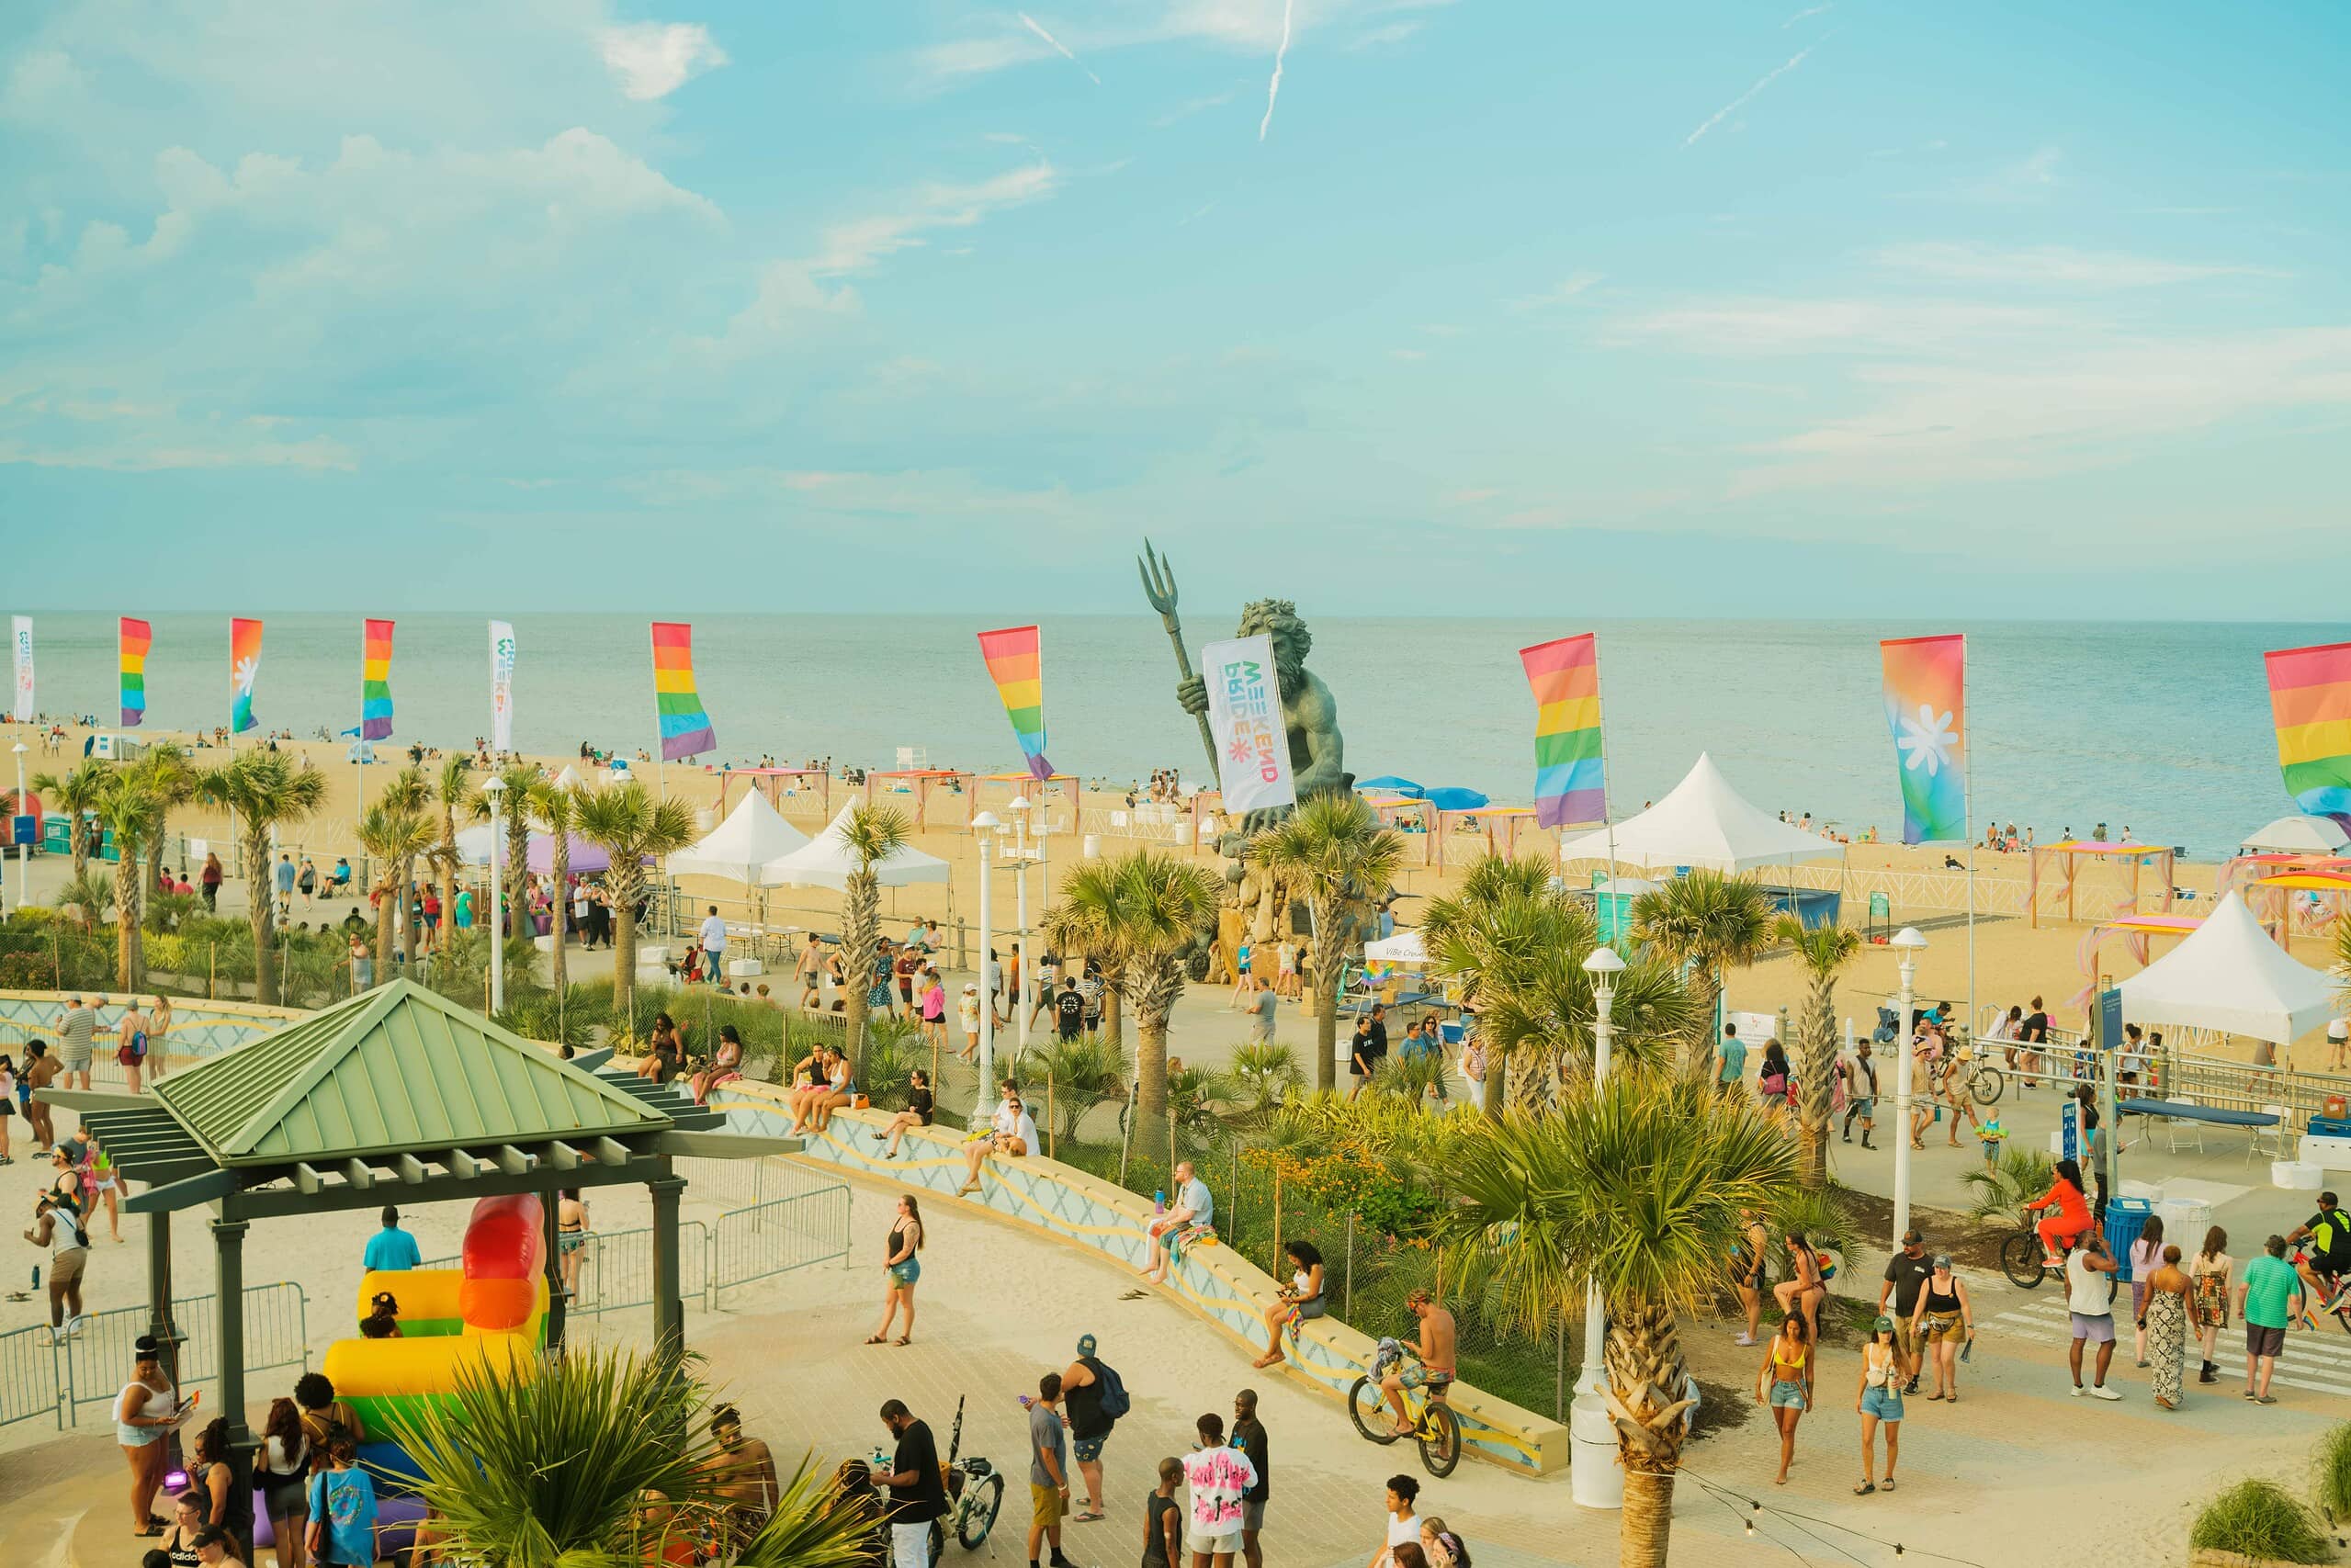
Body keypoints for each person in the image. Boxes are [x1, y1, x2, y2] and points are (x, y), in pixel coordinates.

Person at [119, 1335, 194, 1536]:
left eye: (152, 1367)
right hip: (140, 1432)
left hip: (159, 1426)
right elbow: (127, 1417)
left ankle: (147, 1513)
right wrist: (156, 1421)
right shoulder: (136, 1388)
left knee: (160, 1470)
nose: (149, 1372)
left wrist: (178, 1407)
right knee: (143, 1477)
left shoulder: (157, 1372)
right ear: (137, 1365)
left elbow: (162, 1397)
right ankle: (140, 1525)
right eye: (144, 1368)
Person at [1057, 1332, 1122, 1521]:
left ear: (1078, 1348)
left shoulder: (1078, 1367)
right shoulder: (1099, 1366)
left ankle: (1095, 1509)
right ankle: (1097, 1497)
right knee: (1093, 1459)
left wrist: (1041, 1400)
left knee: (1086, 1465)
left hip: (1089, 1427)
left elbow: (1061, 1388)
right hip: (1103, 1424)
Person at [878, 1399, 948, 1568]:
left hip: (910, 1513)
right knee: (919, 1554)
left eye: (887, 1423)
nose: (888, 1428)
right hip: (926, 1509)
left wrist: (882, 1479)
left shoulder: (910, 1438)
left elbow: (911, 1477)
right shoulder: (921, 1427)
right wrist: (892, 1474)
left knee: (905, 1560)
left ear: (896, 1418)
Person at [1180, 1413, 1255, 1568]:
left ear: (1203, 1435)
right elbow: (1252, 1481)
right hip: (1228, 1526)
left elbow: (1175, 1470)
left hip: (1201, 1526)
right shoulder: (1238, 1458)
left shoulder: (1192, 1460)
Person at [1379, 1290, 1454, 1438]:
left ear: (1420, 1305)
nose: (1416, 1315)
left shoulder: (1426, 1322)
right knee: (1440, 1408)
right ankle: (1444, 1449)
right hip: (1447, 1373)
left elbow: (1427, 1353)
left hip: (1430, 1373)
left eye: (1414, 1311)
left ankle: (1404, 1425)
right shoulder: (1447, 1316)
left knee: (1387, 1384)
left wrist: (1413, 1347)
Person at [2239, 1234, 2302, 1404]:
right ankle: (2263, 1394)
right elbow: (2295, 1299)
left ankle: (2250, 1389)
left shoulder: (2255, 1263)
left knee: (2252, 1352)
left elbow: (2242, 1288)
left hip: (2254, 1315)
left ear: (2267, 1248)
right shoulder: (2289, 1271)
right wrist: (2299, 1319)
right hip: (2276, 1319)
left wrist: (2240, 1307)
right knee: (2268, 1356)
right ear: (2283, 1253)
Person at [305, 1425, 379, 1567]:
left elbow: (315, 1515)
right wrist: (376, 1543)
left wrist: (308, 1543)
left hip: (334, 1546)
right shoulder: (363, 1477)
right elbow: (371, 1513)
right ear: (354, 1458)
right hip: (360, 1544)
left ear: (331, 1457)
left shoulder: (322, 1478)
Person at [1025, 1373, 1078, 1568]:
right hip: (1048, 1482)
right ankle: (1034, 1564)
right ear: (1057, 1394)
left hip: (1054, 1478)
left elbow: (1025, 1401)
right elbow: (1048, 1456)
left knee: (1054, 1519)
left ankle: (1057, 1556)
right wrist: (1062, 1485)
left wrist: (1058, 1421)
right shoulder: (1045, 1422)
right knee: (1040, 1523)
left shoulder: (1040, 1408)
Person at [2067, 1226, 2125, 1401]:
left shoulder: (2072, 1257)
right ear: (2084, 1240)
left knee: (2078, 1342)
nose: (2097, 1238)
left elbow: (2067, 1284)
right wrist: (2107, 1248)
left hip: (2077, 1306)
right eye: (2093, 1236)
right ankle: (2098, 1386)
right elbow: (2114, 1267)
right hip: (2095, 1309)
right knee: (2108, 1342)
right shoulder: (2090, 1257)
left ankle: (2077, 1386)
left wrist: (2070, 1306)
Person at [707, 1404, 781, 1539]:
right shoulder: (712, 1460)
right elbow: (705, 1494)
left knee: (755, 1554)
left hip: (754, 1514)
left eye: (737, 1433)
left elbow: (771, 1482)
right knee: (714, 1556)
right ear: (717, 1436)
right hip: (726, 1517)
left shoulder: (758, 1448)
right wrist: (706, 1523)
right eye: (728, 1436)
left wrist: (774, 1514)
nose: (734, 1439)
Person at [1906, 1255, 1973, 1403]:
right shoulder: (1928, 1282)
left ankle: (1951, 1387)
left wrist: (1970, 1326)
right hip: (1934, 1322)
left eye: (1943, 1268)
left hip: (1953, 1323)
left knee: (1946, 1358)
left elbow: (1965, 1305)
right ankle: (1938, 1389)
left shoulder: (1956, 1283)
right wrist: (1913, 1324)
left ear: (1949, 1268)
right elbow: (1921, 1303)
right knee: (1936, 1358)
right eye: (1937, 1267)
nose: (1939, 1271)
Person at [27, 1189, 89, 1344]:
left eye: (38, 1214)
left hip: (65, 1256)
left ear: (41, 1208)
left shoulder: (47, 1218)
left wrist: (29, 1237)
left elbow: (44, 1242)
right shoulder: (68, 1212)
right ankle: (73, 1329)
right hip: (81, 1254)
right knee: (73, 1292)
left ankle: (56, 1336)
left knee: (55, 1297)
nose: (39, 1217)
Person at [1755, 1313, 1812, 1485]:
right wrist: (1758, 1386)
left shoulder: (1807, 1347)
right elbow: (1765, 1365)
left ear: (1801, 1329)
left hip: (1796, 1389)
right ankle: (1789, 1451)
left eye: (1796, 1328)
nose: (1792, 1332)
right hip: (1777, 1387)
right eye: (1789, 1327)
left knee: (1788, 1429)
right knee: (1781, 1427)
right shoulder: (1776, 1341)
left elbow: (1809, 1374)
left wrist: (1810, 1397)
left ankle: (1783, 1469)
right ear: (1785, 1325)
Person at [1878, 1229, 1934, 1394]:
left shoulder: (1929, 1264)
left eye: (1909, 1245)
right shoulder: (1898, 1260)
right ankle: (1908, 1373)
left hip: (1921, 1314)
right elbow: (1889, 1281)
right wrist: (1882, 1301)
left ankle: (1914, 1380)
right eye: (1904, 1244)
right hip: (1901, 1312)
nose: (1906, 1247)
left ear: (1919, 1245)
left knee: (1917, 1347)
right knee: (1903, 1347)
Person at [256, 1397, 311, 1568]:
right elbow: (305, 1463)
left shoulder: (268, 1443)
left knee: (280, 1541)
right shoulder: (304, 1439)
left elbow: (260, 1475)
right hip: (298, 1492)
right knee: (297, 1538)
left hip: (277, 1495)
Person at [1141, 1159, 1214, 1285]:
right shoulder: (1185, 1187)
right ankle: (1153, 1262)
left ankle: (1162, 1272)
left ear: (1186, 1174)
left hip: (1195, 1222)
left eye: (1178, 1171)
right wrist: (1166, 1220)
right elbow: (1177, 1208)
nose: (1175, 1173)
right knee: (1156, 1228)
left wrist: (1169, 1224)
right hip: (1185, 1218)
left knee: (1166, 1236)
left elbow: (1188, 1215)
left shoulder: (1197, 1189)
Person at [1255, 1239, 1325, 1368]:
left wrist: (1291, 1300)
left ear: (1303, 1256)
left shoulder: (1316, 1268)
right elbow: (1301, 1283)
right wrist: (1287, 1286)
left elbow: (1312, 1294)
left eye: (1295, 1260)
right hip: (1300, 1299)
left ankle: (1269, 1353)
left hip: (1313, 1304)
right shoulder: (1303, 1265)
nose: (1293, 1263)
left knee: (1277, 1319)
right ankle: (1278, 1352)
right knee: (1269, 1312)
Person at [1853, 1315, 1903, 1495]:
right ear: (1876, 1332)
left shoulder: (1896, 1350)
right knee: (1867, 1439)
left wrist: (1901, 1381)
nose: (1886, 1335)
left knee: (1891, 1439)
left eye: (1889, 1332)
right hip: (1872, 1395)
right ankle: (1868, 1478)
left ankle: (1889, 1475)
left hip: (1891, 1396)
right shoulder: (1868, 1348)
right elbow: (1864, 1372)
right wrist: (1859, 1397)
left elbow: (1910, 1374)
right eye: (1883, 1332)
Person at [867, 1195, 923, 1347]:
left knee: (905, 1303)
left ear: (908, 1208)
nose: (897, 1206)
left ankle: (906, 1336)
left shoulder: (912, 1226)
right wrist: (887, 1260)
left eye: (900, 1204)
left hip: (906, 1269)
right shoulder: (900, 1220)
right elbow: (889, 1242)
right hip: (896, 1269)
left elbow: (906, 1251)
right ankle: (882, 1334)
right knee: (890, 1301)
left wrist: (890, 1262)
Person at [957, 1090, 1037, 1194]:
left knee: (978, 1152)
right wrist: (1003, 1135)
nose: (1014, 1109)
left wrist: (1001, 1138)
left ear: (1021, 1108)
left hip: (1020, 1147)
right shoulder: (1012, 1114)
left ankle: (970, 1181)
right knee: (971, 1150)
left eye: (1016, 1107)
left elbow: (1018, 1139)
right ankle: (974, 1182)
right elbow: (1005, 1129)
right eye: (1011, 1107)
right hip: (1003, 1139)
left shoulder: (1023, 1118)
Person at [2285, 1191, 2351, 1316]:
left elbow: (2299, 1232)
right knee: (2323, 1265)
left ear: (2324, 1204)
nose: (2318, 1203)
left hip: (2335, 1257)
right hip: (2349, 1257)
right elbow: (2337, 1230)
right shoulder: (2343, 1213)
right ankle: (2328, 1297)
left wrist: (2283, 1244)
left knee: (2303, 1270)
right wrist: (2314, 1234)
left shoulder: (2322, 1217)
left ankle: (2332, 1298)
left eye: (2318, 1201)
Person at [2144, 1243, 2193, 1410]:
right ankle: (2171, 1395)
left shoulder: (2154, 1275)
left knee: (2158, 1353)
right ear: (2179, 1259)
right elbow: (2190, 1306)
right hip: (2174, 1320)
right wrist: (2197, 1326)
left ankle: (2159, 1391)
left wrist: (2139, 1317)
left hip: (2156, 1317)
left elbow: (2146, 1299)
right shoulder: (2184, 1280)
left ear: (2164, 1258)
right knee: (2174, 1356)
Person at [2026, 1156, 2094, 1264]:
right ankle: (2070, 1260)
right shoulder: (2075, 1184)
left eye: (2053, 1173)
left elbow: (2043, 1204)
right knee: (2066, 1241)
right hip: (2088, 1223)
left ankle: (2055, 1257)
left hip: (2073, 1224)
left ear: (2061, 1173)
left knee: (2042, 1225)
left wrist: (2028, 1206)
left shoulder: (2062, 1185)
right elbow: (2069, 1199)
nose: (2053, 1175)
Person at [1232, 1389, 1270, 1568]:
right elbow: (1231, 1452)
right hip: (1240, 1494)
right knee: (1250, 1543)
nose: (1237, 1409)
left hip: (1253, 1496)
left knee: (1248, 1545)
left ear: (1252, 1407)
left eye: (1241, 1405)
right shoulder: (1238, 1426)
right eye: (1236, 1404)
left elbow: (1247, 1463)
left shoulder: (1257, 1433)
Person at [2192, 1225, 2234, 1386]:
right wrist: (2228, 1306)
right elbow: (2229, 1286)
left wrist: (2198, 1289)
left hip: (2202, 1296)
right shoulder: (2227, 1261)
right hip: (2217, 1299)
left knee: (2206, 1333)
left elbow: (2189, 1278)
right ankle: (2205, 1372)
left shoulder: (2198, 1256)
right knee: (2211, 1338)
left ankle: (2207, 1362)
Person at [295, 1372, 367, 1460]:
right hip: (349, 1464)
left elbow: (301, 1451)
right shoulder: (345, 1408)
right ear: (328, 1389)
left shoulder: (305, 1422)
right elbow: (361, 1436)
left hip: (322, 1469)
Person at [1771, 1230, 1825, 1342]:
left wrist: (1792, 1291)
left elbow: (1808, 1283)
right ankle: (1790, 1316)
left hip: (1812, 1288)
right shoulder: (1807, 1247)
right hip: (1804, 1284)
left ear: (1796, 1244)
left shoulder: (1803, 1258)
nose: (1786, 1245)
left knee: (1809, 1320)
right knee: (1778, 1289)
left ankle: (1810, 1346)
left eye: (1788, 1243)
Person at [2128, 1214, 2167, 1364]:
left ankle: (2140, 1358)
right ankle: (2158, 1356)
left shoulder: (2136, 1244)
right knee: (2158, 1322)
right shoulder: (2163, 1248)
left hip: (2138, 1283)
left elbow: (2133, 1264)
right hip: (2156, 1284)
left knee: (2141, 1323)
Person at [1734, 1208, 1771, 1348]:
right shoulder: (1742, 1226)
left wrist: (1752, 1272)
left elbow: (1759, 1253)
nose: (1742, 1210)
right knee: (1746, 1302)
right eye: (1741, 1208)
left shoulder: (1757, 1229)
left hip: (1752, 1271)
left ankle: (1752, 1336)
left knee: (1753, 1302)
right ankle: (1749, 1330)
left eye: (1746, 1208)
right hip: (1739, 1269)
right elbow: (1735, 1248)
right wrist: (1733, 1258)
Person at [877, 1069, 934, 1159]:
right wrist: (911, 1107)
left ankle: (885, 1133)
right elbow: (910, 1103)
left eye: (914, 1078)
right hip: (915, 1115)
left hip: (924, 1118)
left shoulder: (925, 1092)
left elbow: (924, 1109)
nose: (911, 1079)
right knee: (899, 1126)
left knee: (900, 1115)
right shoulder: (914, 1089)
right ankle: (893, 1151)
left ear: (921, 1079)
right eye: (911, 1077)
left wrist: (914, 1110)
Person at [1367, 1472, 1419, 1568]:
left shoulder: (1413, 1532)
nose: (1387, 1500)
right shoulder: (1394, 1515)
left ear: (1405, 1501)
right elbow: (1385, 1546)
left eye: (1391, 1497)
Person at [1143, 1456, 1183, 1568]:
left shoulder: (1152, 1496)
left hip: (1149, 1558)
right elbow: (1170, 1546)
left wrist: (1148, 1554)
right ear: (1174, 1477)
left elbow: (1146, 1530)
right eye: (1182, 1473)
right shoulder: (1170, 1510)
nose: (1184, 1476)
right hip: (1162, 1562)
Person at [691, 1024, 745, 1105]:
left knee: (709, 1078)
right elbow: (720, 1058)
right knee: (700, 1075)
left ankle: (699, 1100)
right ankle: (702, 1100)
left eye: (721, 1034)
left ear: (728, 1035)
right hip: (718, 1066)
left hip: (730, 1067)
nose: (720, 1036)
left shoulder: (735, 1046)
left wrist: (721, 1066)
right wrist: (714, 1063)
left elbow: (736, 1062)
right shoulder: (723, 1044)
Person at [55, 992, 98, 1091]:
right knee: (84, 1071)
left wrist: (57, 1024)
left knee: (68, 1072)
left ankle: (67, 1093)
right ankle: (86, 1090)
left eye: (68, 1001)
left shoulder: (69, 1016)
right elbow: (91, 1028)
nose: (67, 1003)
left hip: (71, 1051)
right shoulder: (88, 1013)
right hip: (85, 1049)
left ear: (73, 1001)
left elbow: (61, 1032)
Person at [1840, 1041, 1878, 1149]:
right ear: (1860, 1049)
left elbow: (1874, 1079)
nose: (1868, 1050)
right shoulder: (1852, 1061)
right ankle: (1846, 1133)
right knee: (1850, 1115)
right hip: (1856, 1095)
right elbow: (1849, 1078)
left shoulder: (1872, 1063)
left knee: (1868, 1117)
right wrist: (1850, 1093)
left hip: (1867, 1095)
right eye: (1865, 1048)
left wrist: (1875, 1095)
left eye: (1869, 1047)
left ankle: (1865, 1141)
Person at [362, 1205, 422, 1273]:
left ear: (382, 1221)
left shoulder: (374, 1241)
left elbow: (370, 1269)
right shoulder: (409, 1238)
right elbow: (417, 1261)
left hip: (383, 1283)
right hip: (404, 1282)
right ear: (397, 1220)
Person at [556, 1190, 590, 1300]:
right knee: (574, 1276)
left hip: (562, 1237)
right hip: (575, 1237)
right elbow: (586, 1226)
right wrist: (586, 1212)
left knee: (563, 1274)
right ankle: (575, 1304)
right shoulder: (577, 1205)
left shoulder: (559, 1204)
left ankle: (563, 1302)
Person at [116, 996, 151, 1095]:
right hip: (139, 1049)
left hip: (127, 1049)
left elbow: (122, 1037)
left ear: (128, 1008)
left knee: (129, 1072)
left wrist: (117, 1050)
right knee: (137, 1070)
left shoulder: (126, 1020)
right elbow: (148, 1035)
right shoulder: (146, 1019)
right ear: (137, 1008)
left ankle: (133, 1092)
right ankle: (138, 1091)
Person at [698, 905, 729, 984]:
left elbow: (702, 933)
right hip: (720, 945)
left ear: (709, 912)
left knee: (714, 964)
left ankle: (719, 980)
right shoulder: (721, 921)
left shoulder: (707, 921)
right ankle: (709, 978)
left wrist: (701, 943)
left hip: (711, 946)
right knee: (714, 962)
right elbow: (725, 933)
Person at [1717, 1021, 1747, 1098]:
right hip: (1738, 1079)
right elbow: (1743, 1060)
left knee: (1723, 1104)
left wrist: (1717, 1077)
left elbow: (1721, 1062)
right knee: (1736, 1105)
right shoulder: (1741, 1044)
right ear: (1735, 1031)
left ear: (1725, 1031)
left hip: (1726, 1080)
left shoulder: (1724, 1044)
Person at [1054, 976, 1085, 1043]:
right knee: (1074, 1044)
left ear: (1066, 985)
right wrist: (1083, 1021)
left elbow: (1058, 1011)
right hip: (1076, 1024)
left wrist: (1056, 1024)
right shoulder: (1079, 997)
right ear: (1074, 985)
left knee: (1064, 1044)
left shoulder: (1061, 997)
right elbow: (1082, 1011)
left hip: (1064, 1024)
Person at [957, 982, 982, 1062]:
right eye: (974, 990)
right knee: (975, 1042)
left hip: (965, 1021)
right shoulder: (974, 999)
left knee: (970, 1042)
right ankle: (961, 1055)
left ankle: (969, 1059)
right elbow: (973, 1010)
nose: (976, 992)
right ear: (971, 991)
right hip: (972, 1021)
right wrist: (979, 1013)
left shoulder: (962, 998)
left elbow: (960, 1010)